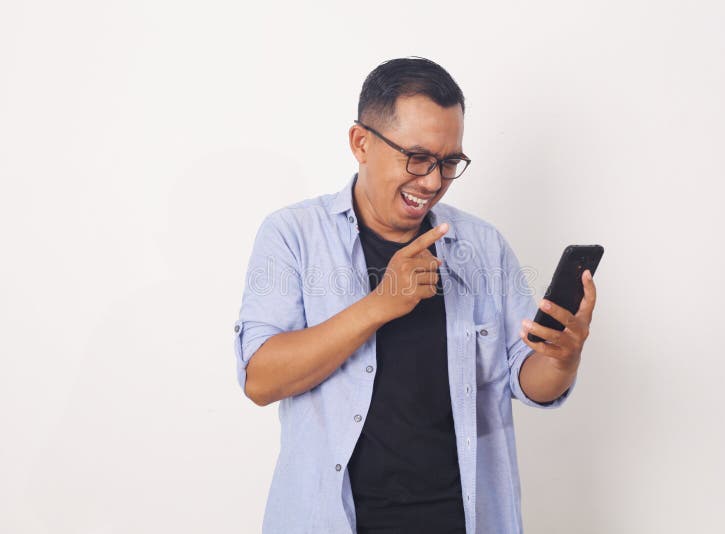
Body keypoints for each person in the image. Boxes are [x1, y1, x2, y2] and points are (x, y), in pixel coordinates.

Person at [233, 57, 597, 534]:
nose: (432, 181)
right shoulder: (292, 235)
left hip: (462, 517)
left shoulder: (482, 246)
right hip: (333, 520)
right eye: (418, 157)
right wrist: (379, 305)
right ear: (360, 143)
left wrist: (562, 357)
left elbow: (527, 382)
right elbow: (260, 379)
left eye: (449, 162)